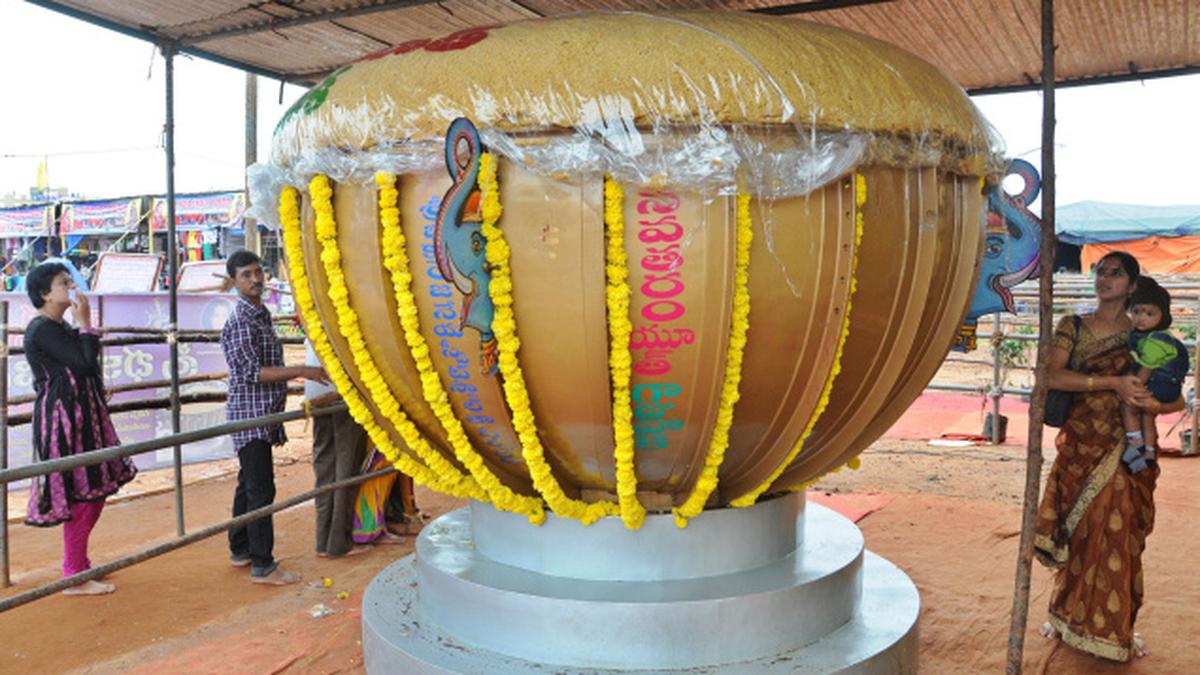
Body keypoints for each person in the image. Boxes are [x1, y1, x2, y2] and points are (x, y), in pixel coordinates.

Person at [1034, 251, 1183, 661]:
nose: (1105, 278)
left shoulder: (1151, 337)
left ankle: (1117, 628)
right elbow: (1051, 375)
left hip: (1128, 450)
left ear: (1133, 285)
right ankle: (1065, 614)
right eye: (1100, 271)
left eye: (1116, 273)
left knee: (1120, 533)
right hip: (1084, 444)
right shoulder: (1074, 326)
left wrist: (1149, 404)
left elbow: (1175, 399)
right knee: (1081, 530)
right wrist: (1113, 383)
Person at [22, 262, 137, 595]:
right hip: (65, 420)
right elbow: (85, 363)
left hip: (82, 417)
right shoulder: (43, 328)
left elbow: (85, 366)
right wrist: (86, 323)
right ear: (44, 293)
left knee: (95, 488)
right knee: (81, 493)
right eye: (63, 283)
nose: (71, 287)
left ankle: (79, 564)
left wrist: (82, 327)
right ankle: (74, 572)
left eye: (71, 280)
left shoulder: (57, 326)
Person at [221, 250, 328, 585]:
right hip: (250, 414)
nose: (255, 279)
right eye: (246, 275)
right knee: (260, 489)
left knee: (248, 484)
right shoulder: (240, 321)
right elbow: (251, 373)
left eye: (258, 272)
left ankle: (240, 547)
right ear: (234, 282)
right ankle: (262, 564)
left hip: (263, 414)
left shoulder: (260, 314)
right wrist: (301, 370)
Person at [304, 340, 372, 558]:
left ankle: (322, 541)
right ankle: (339, 543)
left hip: (315, 397)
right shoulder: (340, 314)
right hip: (342, 396)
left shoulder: (313, 313)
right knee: (346, 469)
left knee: (325, 468)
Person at [1119, 277, 1188, 473]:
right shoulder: (1139, 336)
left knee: (1131, 406)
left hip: (1157, 385)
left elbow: (1146, 371)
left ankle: (1136, 445)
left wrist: (1132, 389)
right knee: (1147, 415)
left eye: (1149, 314)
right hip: (1161, 387)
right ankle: (1147, 453)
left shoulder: (1154, 340)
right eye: (1137, 312)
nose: (1141, 317)